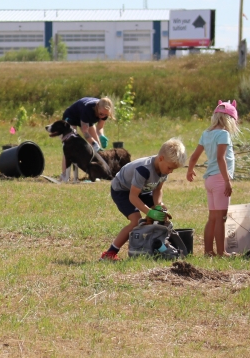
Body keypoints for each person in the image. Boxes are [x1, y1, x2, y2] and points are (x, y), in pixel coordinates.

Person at [100, 138, 186, 261]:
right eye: (170, 168)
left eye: (173, 169)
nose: (171, 172)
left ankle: (153, 247)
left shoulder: (163, 168)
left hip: (143, 190)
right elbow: (133, 196)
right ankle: (110, 253)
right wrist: (149, 212)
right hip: (122, 190)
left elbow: (157, 190)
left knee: (162, 215)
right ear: (161, 158)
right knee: (136, 221)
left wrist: (158, 205)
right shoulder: (144, 169)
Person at [186, 101, 239, 257]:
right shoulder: (223, 134)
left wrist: (190, 170)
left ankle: (208, 251)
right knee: (221, 219)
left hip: (209, 180)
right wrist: (228, 180)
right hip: (220, 180)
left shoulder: (206, 133)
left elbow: (194, 156)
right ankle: (222, 252)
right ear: (229, 119)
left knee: (212, 218)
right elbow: (220, 158)